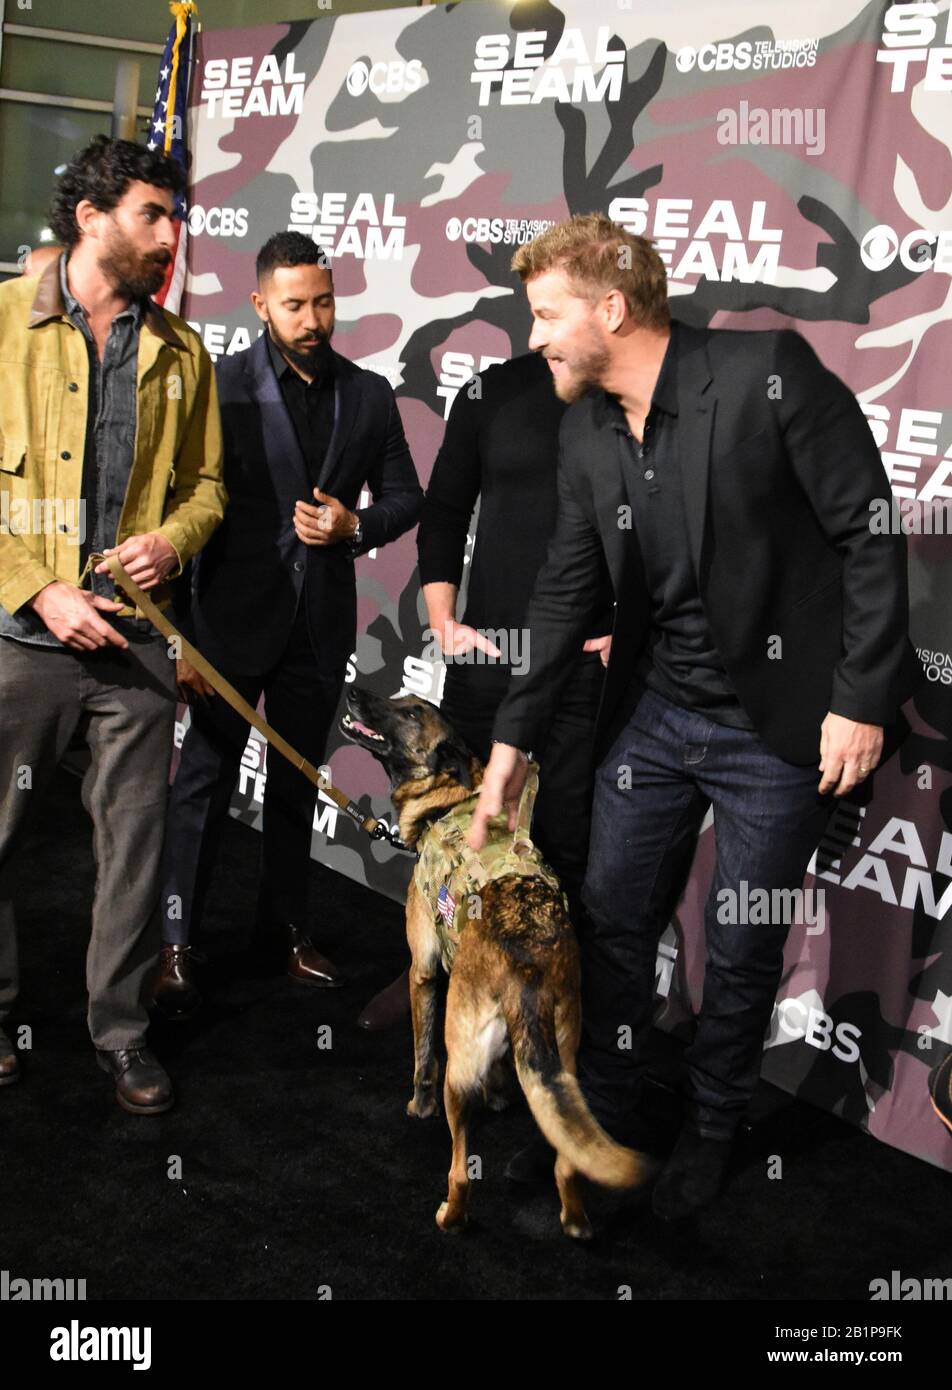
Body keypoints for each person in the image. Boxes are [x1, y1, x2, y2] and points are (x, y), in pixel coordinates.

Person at [468, 213, 918, 1219]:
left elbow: (868, 532)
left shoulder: (767, 374)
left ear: (612, 308)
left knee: (742, 938)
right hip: (657, 714)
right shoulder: (585, 428)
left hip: (778, 727)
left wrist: (857, 700)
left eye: (546, 315)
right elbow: (561, 594)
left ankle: (716, 1126)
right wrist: (508, 747)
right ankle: (618, 1103)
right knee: (614, 916)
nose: (532, 337)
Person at [0, 136, 226, 1113]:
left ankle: (122, 1034)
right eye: (152, 213)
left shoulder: (182, 351)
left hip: (136, 647)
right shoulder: (5, 323)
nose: (172, 234)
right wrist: (38, 588)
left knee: (135, 851)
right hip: (18, 643)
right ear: (91, 216)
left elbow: (208, 485)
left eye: (174, 215)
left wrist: (172, 545)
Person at [154, 232, 423, 1018]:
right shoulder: (219, 385)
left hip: (318, 627)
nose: (313, 319)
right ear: (260, 304)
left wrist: (355, 528)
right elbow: (179, 508)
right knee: (199, 785)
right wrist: (177, 633)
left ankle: (284, 930)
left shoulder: (369, 393)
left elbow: (406, 498)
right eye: (295, 304)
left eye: (324, 301)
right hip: (225, 623)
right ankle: (176, 946)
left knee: (295, 786)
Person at [356, 351, 613, 1031]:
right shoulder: (492, 389)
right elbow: (443, 509)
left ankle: (544, 1013)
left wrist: (632, 627)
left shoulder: (630, 388)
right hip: (489, 656)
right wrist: (443, 618)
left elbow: (671, 521)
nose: (545, 321)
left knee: (561, 845)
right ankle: (432, 971)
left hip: (585, 667)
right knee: (455, 840)